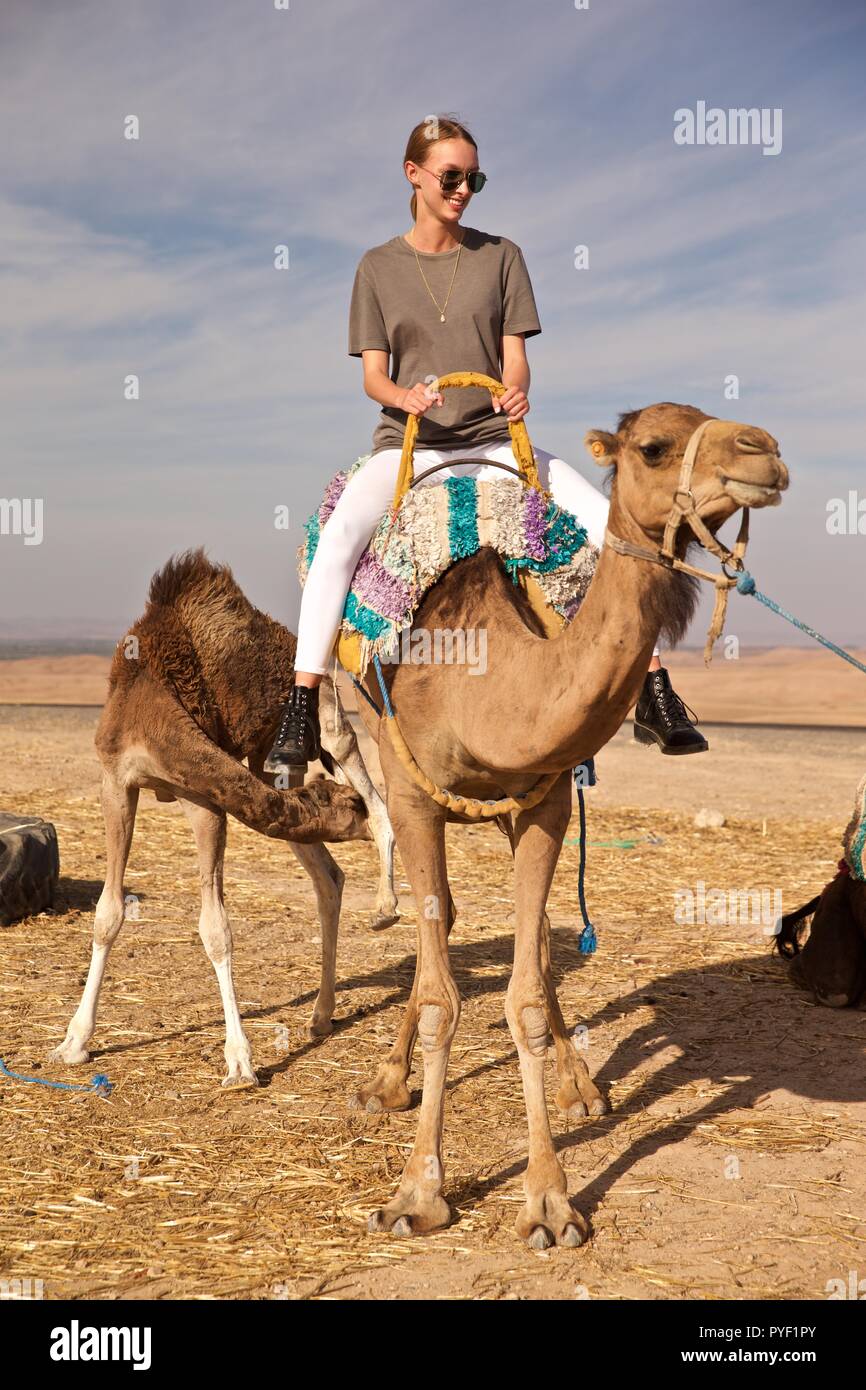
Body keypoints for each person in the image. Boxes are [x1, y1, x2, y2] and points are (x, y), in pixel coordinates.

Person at [266, 114, 706, 775]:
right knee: (338, 541)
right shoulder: (377, 268)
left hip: (498, 445)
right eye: (452, 175)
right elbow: (373, 377)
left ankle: (654, 688)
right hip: (410, 450)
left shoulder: (502, 257)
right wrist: (403, 397)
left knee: (607, 527)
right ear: (413, 175)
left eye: (475, 177)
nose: (464, 188)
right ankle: (301, 709)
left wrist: (517, 390)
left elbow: (515, 359)